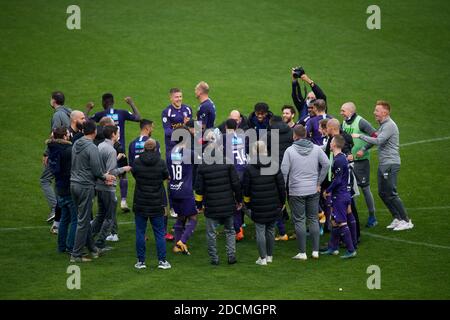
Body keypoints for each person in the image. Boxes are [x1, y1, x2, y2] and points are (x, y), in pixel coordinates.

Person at [352, 101, 413, 231]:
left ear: (385, 112)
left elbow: (379, 140)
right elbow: (377, 137)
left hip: (391, 163)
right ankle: (397, 218)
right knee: (382, 192)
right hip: (384, 164)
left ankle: (406, 221)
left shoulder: (390, 125)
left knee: (391, 193)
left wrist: (360, 136)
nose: (374, 113)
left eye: (377, 110)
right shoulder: (383, 126)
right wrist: (363, 149)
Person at [281, 125, 329, 260]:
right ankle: (315, 251)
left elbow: (284, 172)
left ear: (294, 136)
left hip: (296, 191)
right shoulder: (315, 148)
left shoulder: (289, 151)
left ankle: (302, 253)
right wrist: (318, 182)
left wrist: (284, 190)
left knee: (299, 220)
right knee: (313, 219)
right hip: (313, 189)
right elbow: (326, 164)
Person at [70, 120, 115, 263]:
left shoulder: (77, 143)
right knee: (83, 221)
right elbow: (97, 170)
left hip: (73, 184)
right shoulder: (92, 147)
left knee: (83, 218)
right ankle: (76, 255)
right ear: (94, 132)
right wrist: (105, 176)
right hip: (84, 186)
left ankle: (93, 249)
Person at [87, 93, 141, 213]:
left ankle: (102, 199)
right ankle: (123, 201)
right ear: (113, 102)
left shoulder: (101, 115)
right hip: (119, 147)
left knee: (104, 173)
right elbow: (138, 118)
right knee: (123, 174)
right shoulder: (121, 112)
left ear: (103, 103)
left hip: (106, 147)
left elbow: (85, 123)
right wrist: (131, 103)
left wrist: (88, 109)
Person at [195, 146, 243, 266]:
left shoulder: (202, 166)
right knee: (230, 231)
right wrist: (239, 200)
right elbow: (236, 184)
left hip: (211, 205)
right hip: (227, 204)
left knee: (211, 233)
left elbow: (199, 189)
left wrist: (199, 205)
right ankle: (231, 256)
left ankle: (214, 258)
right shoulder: (228, 163)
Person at [131, 139, 172, 270]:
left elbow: (135, 175)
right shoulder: (160, 163)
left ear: (144, 148)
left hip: (141, 201)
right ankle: (162, 261)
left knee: (140, 232)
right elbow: (166, 176)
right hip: (156, 202)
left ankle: (141, 261)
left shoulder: (137, 162)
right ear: (155, 148)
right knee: (159, 233)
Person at [243, 141, 286, 265]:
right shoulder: (273, 165)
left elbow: (246, 189)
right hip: (273, 202)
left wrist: (248, 203)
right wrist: (282, 201)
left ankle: (262, 258)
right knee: (271, 229)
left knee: (260, 229)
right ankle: (269, 256)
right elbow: (281, 186)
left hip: (257, 203)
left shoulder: (249, 168)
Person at [92, 125, 132, 250]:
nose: (119, 134)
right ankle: (99, 243)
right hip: (107, 188)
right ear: (113, 135)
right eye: (117, 132)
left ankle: (88, 238)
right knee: (109, 217)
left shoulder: (100, 146)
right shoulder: (111, 150)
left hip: (98, 185)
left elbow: (101, 168)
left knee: (100, 215)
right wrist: (124, 169)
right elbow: (111, 172)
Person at [340, 102, 378, 227]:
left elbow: (376, 136)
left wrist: (364, 149)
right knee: (350, 189)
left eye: (343, 111)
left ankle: (372, 216)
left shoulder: (361, 122)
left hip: (361, 162)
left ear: (350, 111)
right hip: (349, 161)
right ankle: (352, 217)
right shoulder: (345, 122)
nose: (341, 113)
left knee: (365, 188)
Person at [320, 135, 357, 258]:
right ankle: (333, 248)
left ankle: (351, 250)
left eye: (331, 143)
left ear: (335, 145)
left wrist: (327, 191)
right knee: (334, 221)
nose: (329, 144)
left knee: (341, 222)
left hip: (339, 196)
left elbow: (337, 180)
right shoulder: (341, 158)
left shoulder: (339, 160)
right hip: (344, 194)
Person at [41, 91, 72, 224]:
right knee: (60, 179)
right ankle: (63, 209)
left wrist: (47, 153)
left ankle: (55, 208)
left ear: (54, 101)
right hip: (68, 151)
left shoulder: (57, 115)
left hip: (58, 152)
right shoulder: (69, 112)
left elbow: (54, 136)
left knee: (45, 179)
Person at [46, 127, 77, 254]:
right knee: (75, 219)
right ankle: (70, 247)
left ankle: (61, 246)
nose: (69, 135)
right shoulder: (68, 150)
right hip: (69, 187)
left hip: (59, 187)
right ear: (64, 136)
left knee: (64, 218)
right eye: (68, 134)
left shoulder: (52, 148)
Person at [168, 129, 198, 255]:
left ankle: (176, 245)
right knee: (193, 218)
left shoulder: (169, 153)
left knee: (180, 218)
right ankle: (182, 241)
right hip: (186, 190)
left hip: (173, 189)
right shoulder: (189, 153)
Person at [267, 115, 293, 241]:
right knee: (294, 198)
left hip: (276, 171)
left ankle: (282, 232)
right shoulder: (291, 132)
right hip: (292, 169)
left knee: (276, 201)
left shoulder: (269, 135)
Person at [222, 119, 248, 241]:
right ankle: (241, 224)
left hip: (234, 173)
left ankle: (237, 230)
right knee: (242, 200)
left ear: (226, 127)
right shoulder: (243, 136)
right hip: (245, 171)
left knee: (234, 202)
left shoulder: (224, 138)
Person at [162, 88, 192, 157]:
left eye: (180, 96)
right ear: (171, 98)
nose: (179, 99)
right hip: (172, 146)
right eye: (176, 97)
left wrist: (188, 124)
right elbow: (167, 131)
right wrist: (183, 127)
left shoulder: (188, 109)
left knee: (187, 166)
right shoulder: (166, 112)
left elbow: (192, 128)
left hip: (186, 145)